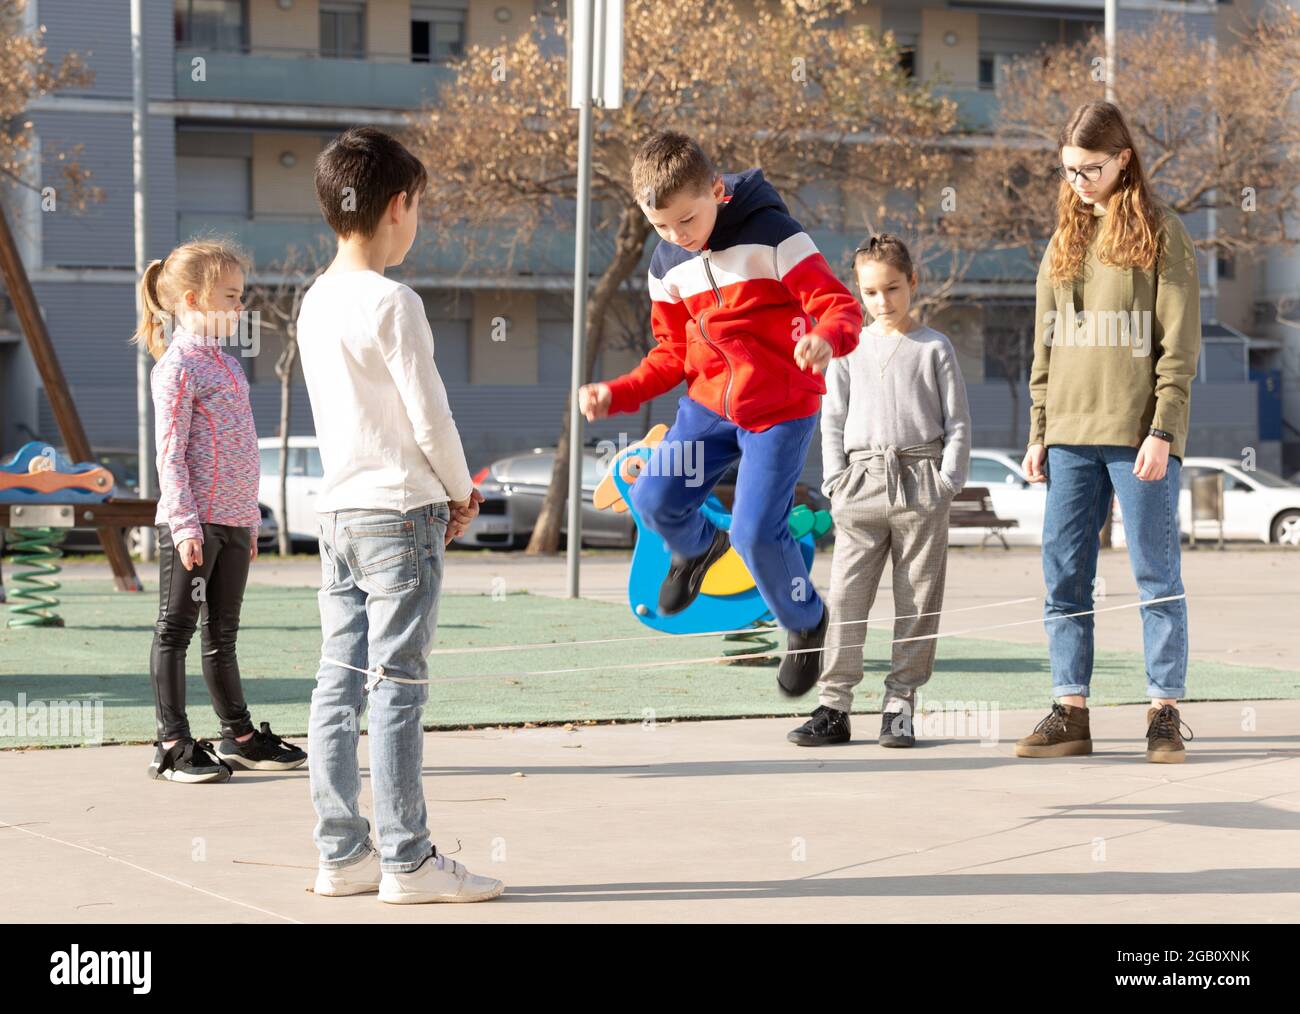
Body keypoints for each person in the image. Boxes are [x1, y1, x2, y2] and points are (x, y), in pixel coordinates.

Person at [579, 130, 863, 696]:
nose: (677, 236)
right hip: (709, 410)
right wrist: (618, 392)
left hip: (779, 410)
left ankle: (806, 622)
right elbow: (670, 354)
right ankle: (699, 548)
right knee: (653, 496)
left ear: (716, 191)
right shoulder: (667, 265)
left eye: (687, 220)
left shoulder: (775, 237)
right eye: (661, 226)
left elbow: (838, 303)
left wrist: (828, 339)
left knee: (758, 533)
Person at [297, 126, 503, 904]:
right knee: (397, 687)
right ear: (396, 205)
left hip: (340, 512)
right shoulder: (394, 301)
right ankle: (408, 861)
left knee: (337, 683)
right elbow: (431, 418)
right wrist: (461, 490)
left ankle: (341, 854)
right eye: (418, 207)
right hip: (401, 510)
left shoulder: (313, 300)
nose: (417, 222)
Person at [1015, 101, 1199, 764]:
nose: (1078, 182)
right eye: (1069, 171)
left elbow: (1178, 346)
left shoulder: (1162, 233)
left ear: (1124, 158)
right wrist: (1038, 430)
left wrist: (1163, 430)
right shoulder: (1063, 239)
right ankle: (1071, 713)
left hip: (1139, 435)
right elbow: (1045, 343)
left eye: (1091, 168)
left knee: (1156, 575)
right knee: (1064, 576)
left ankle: (1164, 713)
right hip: (1068, 435)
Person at [134, 239, 307, 783]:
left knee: (223, 633)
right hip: (194, 525)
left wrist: (249, 520)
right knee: (175, 630)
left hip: (233, 524)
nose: (240, 308)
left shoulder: (229, 366)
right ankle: (171, 743)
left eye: (240, 296)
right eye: (230, 297)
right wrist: (186, 524)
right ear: (191, 299)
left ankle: (239, 736)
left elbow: (242, 450)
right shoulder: (177, 367)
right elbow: (170, 453)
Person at [789, 234, 971, 748]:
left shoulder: (935, 347)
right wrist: (835, 482)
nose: (882, 301)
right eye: (870, 292)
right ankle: (834, 706)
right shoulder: (846, 349)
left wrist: (946, 482)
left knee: (917, 600)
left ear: (912, 283)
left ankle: (900, 705)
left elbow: (957, 422)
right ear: (859, 293)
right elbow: (833, 419)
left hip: (920, 482)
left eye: (892, 288)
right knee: (847, 597)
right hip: (860, 484)